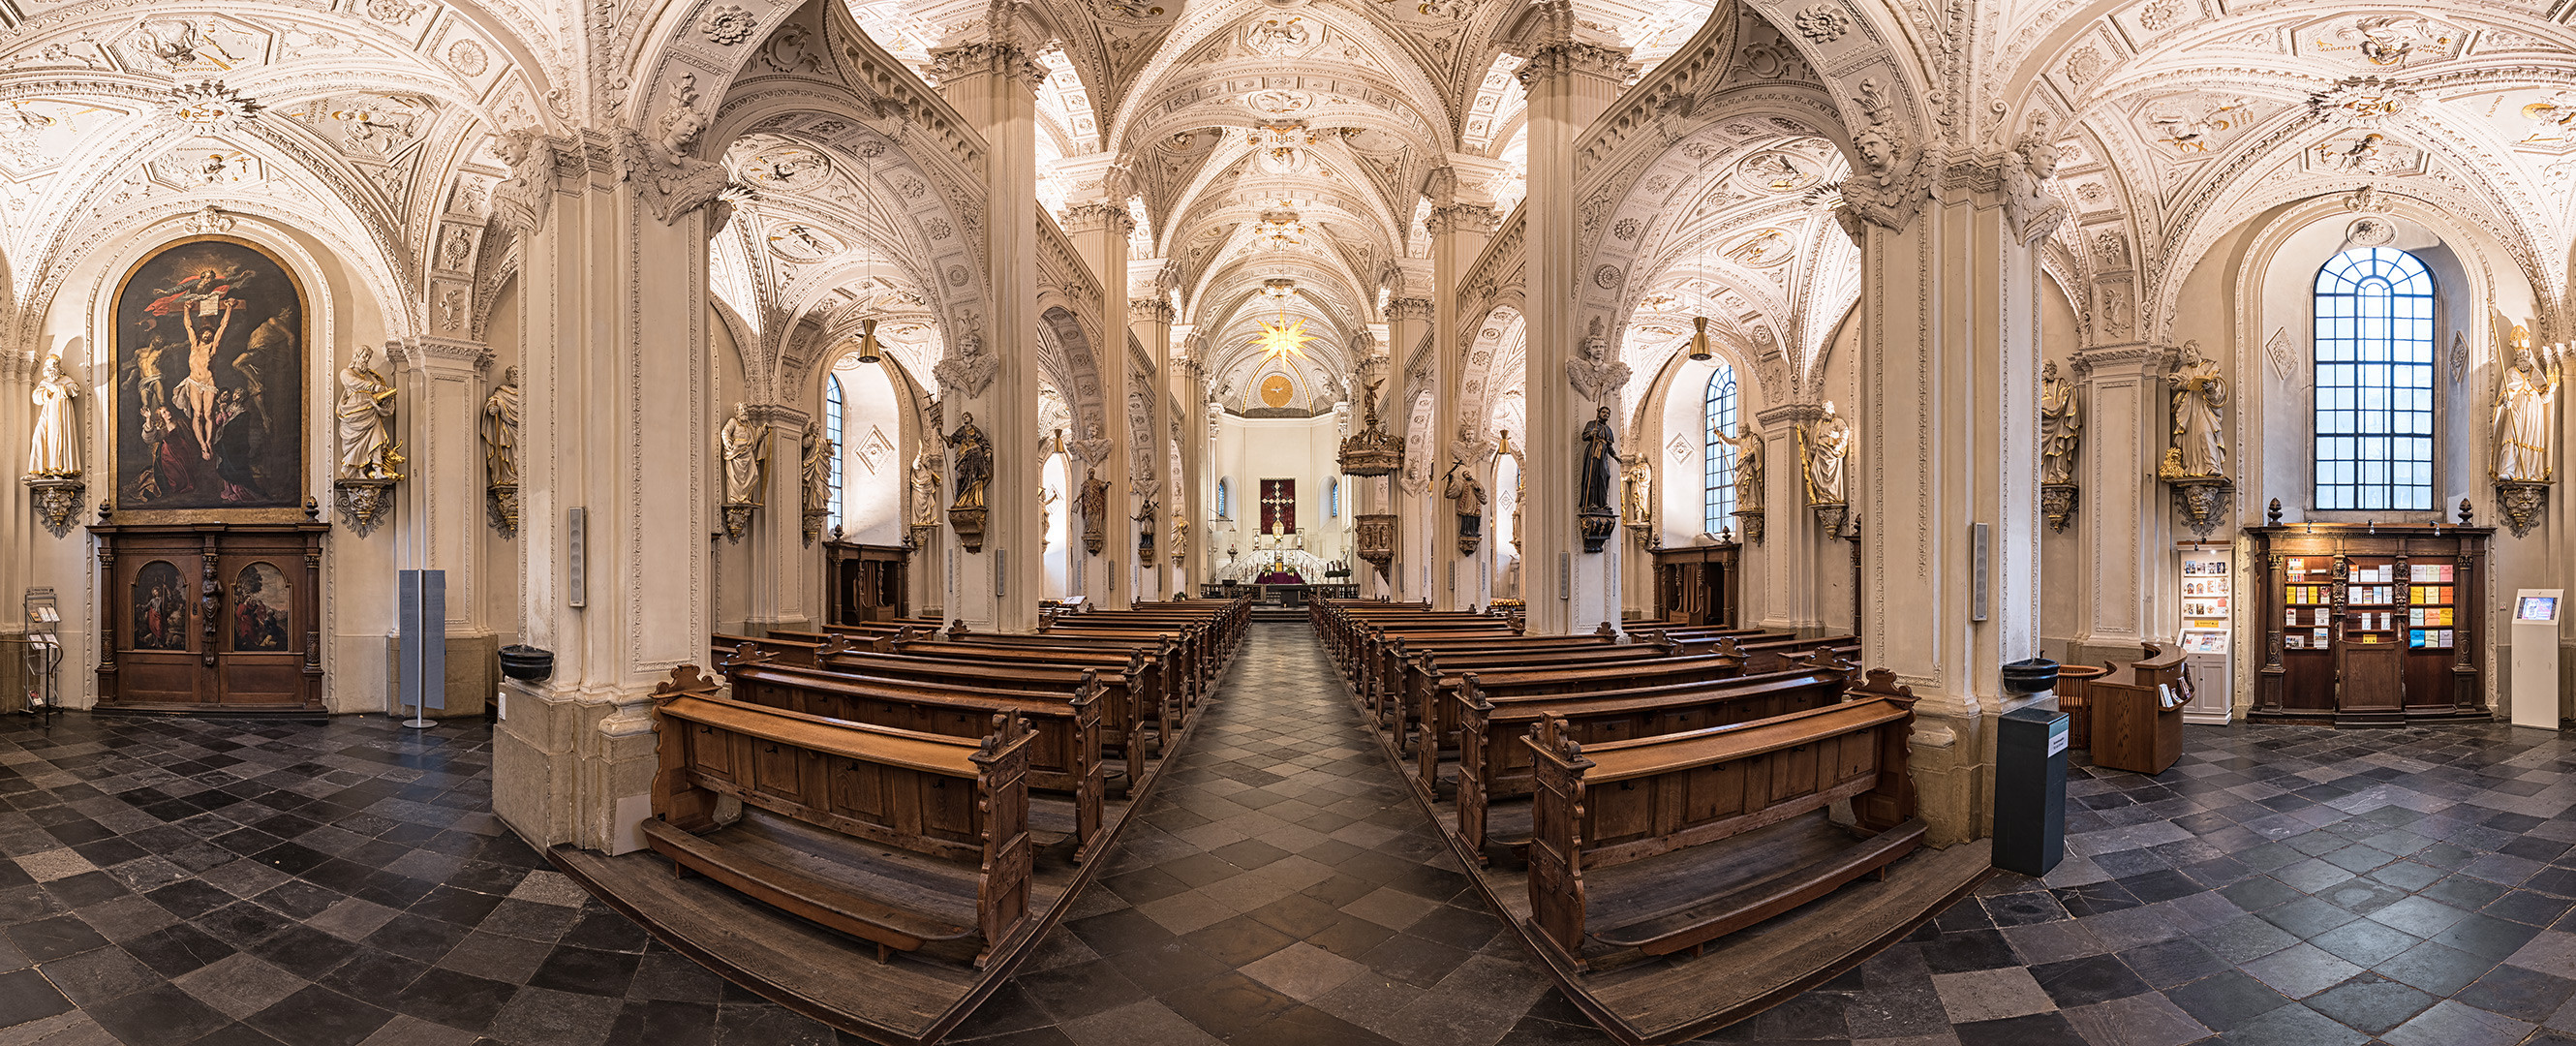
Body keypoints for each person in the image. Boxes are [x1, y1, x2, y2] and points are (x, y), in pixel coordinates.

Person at [2494, 332, 2560, 482]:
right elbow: (2504, 394)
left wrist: (2550, 391)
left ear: (2529, 355)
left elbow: (2544, 400)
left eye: (2524, 353)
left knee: (2533, 441)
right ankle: (2508, 469)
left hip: (2534, 415)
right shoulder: (2510, 374)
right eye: (2519, 354)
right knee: (2511, 436)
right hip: (2516, 410)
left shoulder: (2537, 375)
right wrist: (2506, 400)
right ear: (2515, 357)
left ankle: (2531, 473)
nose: (2522, 356)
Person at [336, 344, 399, 479]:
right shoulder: (347, 373)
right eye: (364, 356)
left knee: (377, 437)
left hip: (370, 411)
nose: (366, 360)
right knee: (356, 444)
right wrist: (373, 387)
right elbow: (354, 383)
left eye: (368, 357)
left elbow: (377, 393)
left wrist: (386, 396)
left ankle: (377, 469)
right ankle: (358, 471)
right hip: (354, 411)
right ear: (357, 356)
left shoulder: (370, 377)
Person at [26, 354, 77, 477]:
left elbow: (75, 389)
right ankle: (36, 471)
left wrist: (58, 388)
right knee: (38, 436)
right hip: (47, 414)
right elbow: (36, 398)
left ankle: (57, 470)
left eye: (52, 366)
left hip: (61, 416)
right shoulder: (44, 382)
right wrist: (47, 391)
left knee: (57, 438)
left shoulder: (65, 379)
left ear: (57, 368)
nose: (50, 370)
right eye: (48, 367)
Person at [2040, 359, 2080, 485]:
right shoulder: (2033, 385)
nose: (2051, 374)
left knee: (2058, 444)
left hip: (2057, 422)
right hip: (2039, 423)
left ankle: (2055, 472)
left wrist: (2069, 390)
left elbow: (2063, 393)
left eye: (2052, 371)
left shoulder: (2058, 383)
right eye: (2049, 371)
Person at [719, 403, 765, 504]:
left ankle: (745, 498)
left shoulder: (748, 425)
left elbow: (755, 437)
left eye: (746, 409)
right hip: (736, 453)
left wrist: (763, 431)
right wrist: (727, 442)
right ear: (737, 412)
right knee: (735, 476)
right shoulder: (733, 421)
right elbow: (725, 432)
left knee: (752, 474)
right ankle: (735, 497)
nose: (745, 411)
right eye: (742, 409)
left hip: (748, 453)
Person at [483, 365, 520, 487]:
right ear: (509, 377)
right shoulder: (502, 391)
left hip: (524, 432)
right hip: (508, 429)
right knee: (509, 452)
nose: (516, 376)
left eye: (518, 373)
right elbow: (493, 401)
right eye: (513, 374)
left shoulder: (528, 394)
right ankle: (508, 476)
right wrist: (492, 407)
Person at [1579, 406, 1618, 512]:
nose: (1605, 414)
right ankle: (1591, 503)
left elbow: (1609, 446)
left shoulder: (1608, 429)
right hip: (1593, 452)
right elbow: (1584, 436)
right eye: (1603, 412)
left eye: (1607, 413)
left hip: (1603, 455)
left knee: (1605, 476)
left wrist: (1615, 456)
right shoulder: (1592, 424)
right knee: (1593, 476)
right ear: (1598, 413)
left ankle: (1603, 503)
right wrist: (1592, 433)